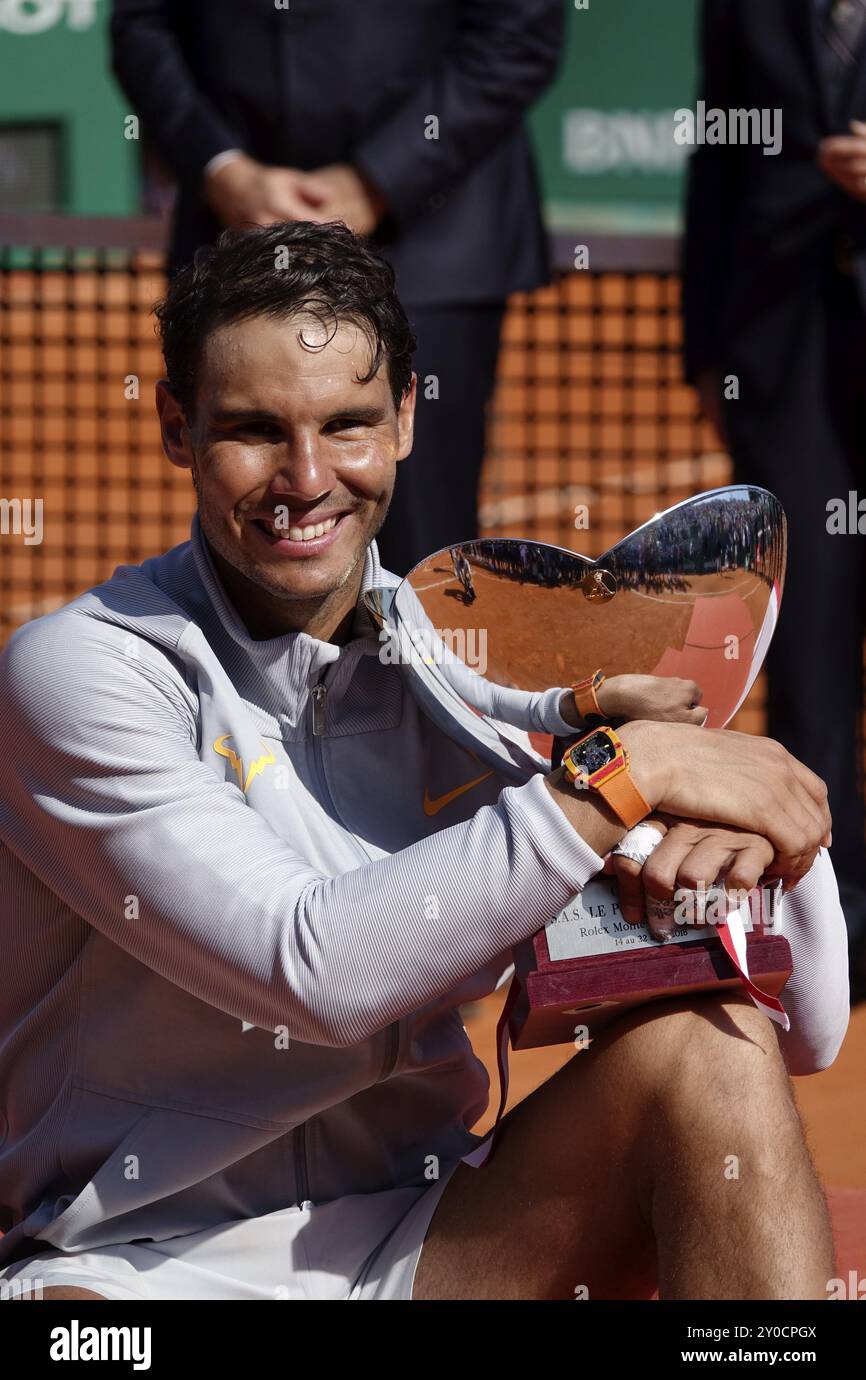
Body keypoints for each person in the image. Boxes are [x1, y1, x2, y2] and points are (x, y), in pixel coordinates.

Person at [0, 223, 847, 1301]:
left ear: (404, 417)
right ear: (178, 426)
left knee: (714, 1052)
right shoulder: (83, 673)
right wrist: (623, 779)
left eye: (346, 424)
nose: (306, 479)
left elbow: (808, 1026)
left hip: (432, 1243)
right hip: (137, 1266)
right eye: (254, 430)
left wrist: (761, 840)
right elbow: (307, 968)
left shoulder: (479, 660)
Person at [108, 0, 565, 578]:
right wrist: (219, 167)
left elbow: (519, 34)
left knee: (420, 555)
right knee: (249, 523)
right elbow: (142, 24)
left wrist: (377, 180)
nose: (307, 475)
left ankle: (410, 645)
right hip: (230, 228)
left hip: (431, 239)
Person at [682, 0, 866, 999]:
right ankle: (833, 918)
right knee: (806, 647)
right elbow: (717, 154)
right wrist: (705, 349)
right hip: (785, 341)